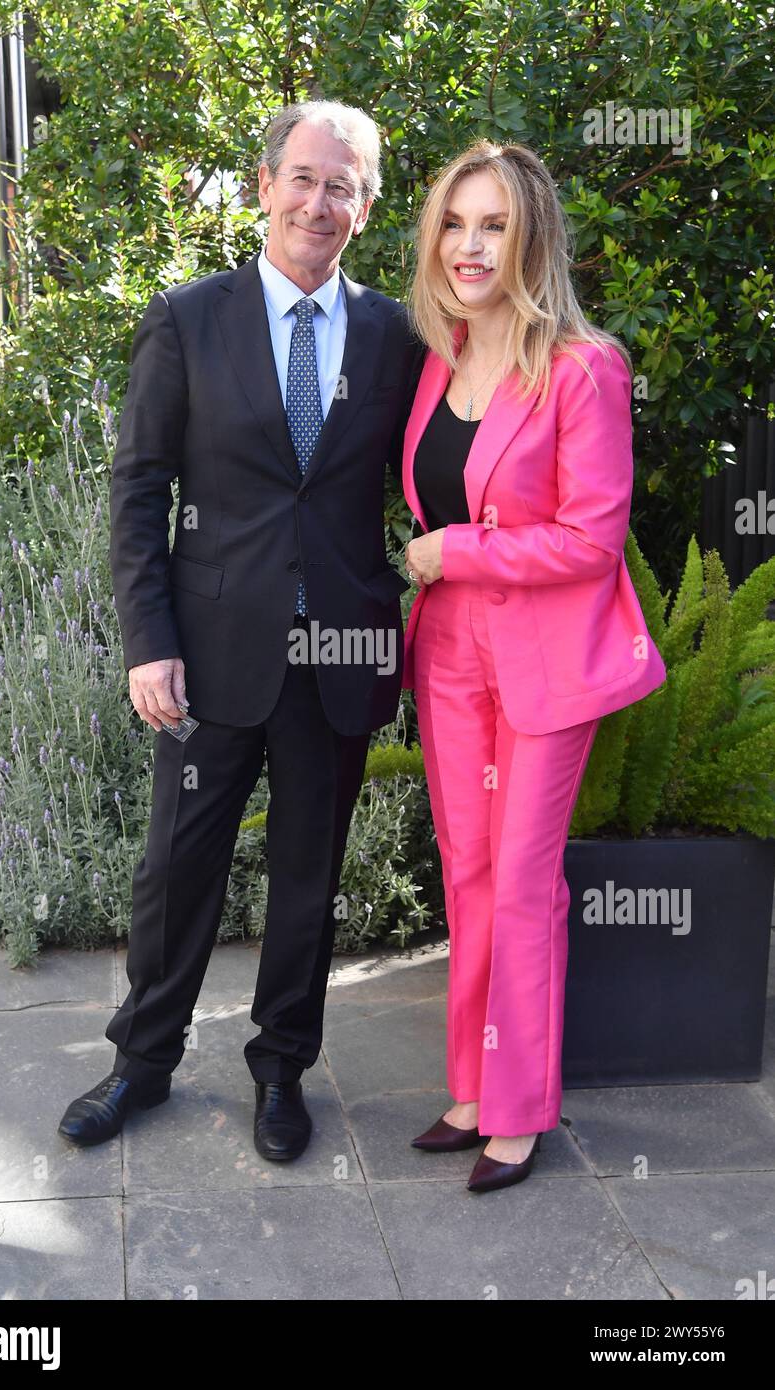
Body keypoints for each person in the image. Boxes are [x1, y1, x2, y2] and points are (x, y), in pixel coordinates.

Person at [57, 100, 424, 1159]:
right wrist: (147, 639)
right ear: (263, 185)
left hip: (338, 653)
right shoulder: (187, 320)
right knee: (177, 867)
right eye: (302, 177)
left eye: (342, 183)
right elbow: (137, 490)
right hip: (208, 655)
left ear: (365, 202)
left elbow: (427, 471)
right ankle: (141, 1063)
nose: (319, 201)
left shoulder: (395, 338)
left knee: (309, 868)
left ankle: (280, 1073)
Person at [401, 140, 667, 1192]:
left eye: (493, 225)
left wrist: (451, 551)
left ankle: (518, 1110)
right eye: (454, 224)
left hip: (545, 661)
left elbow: (590, 540)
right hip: (450, 653)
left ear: (530, 237)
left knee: (518, 881)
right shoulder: (439, 354)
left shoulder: (580, 365)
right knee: (466, 872)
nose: (469, 246)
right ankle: (469, 1084)